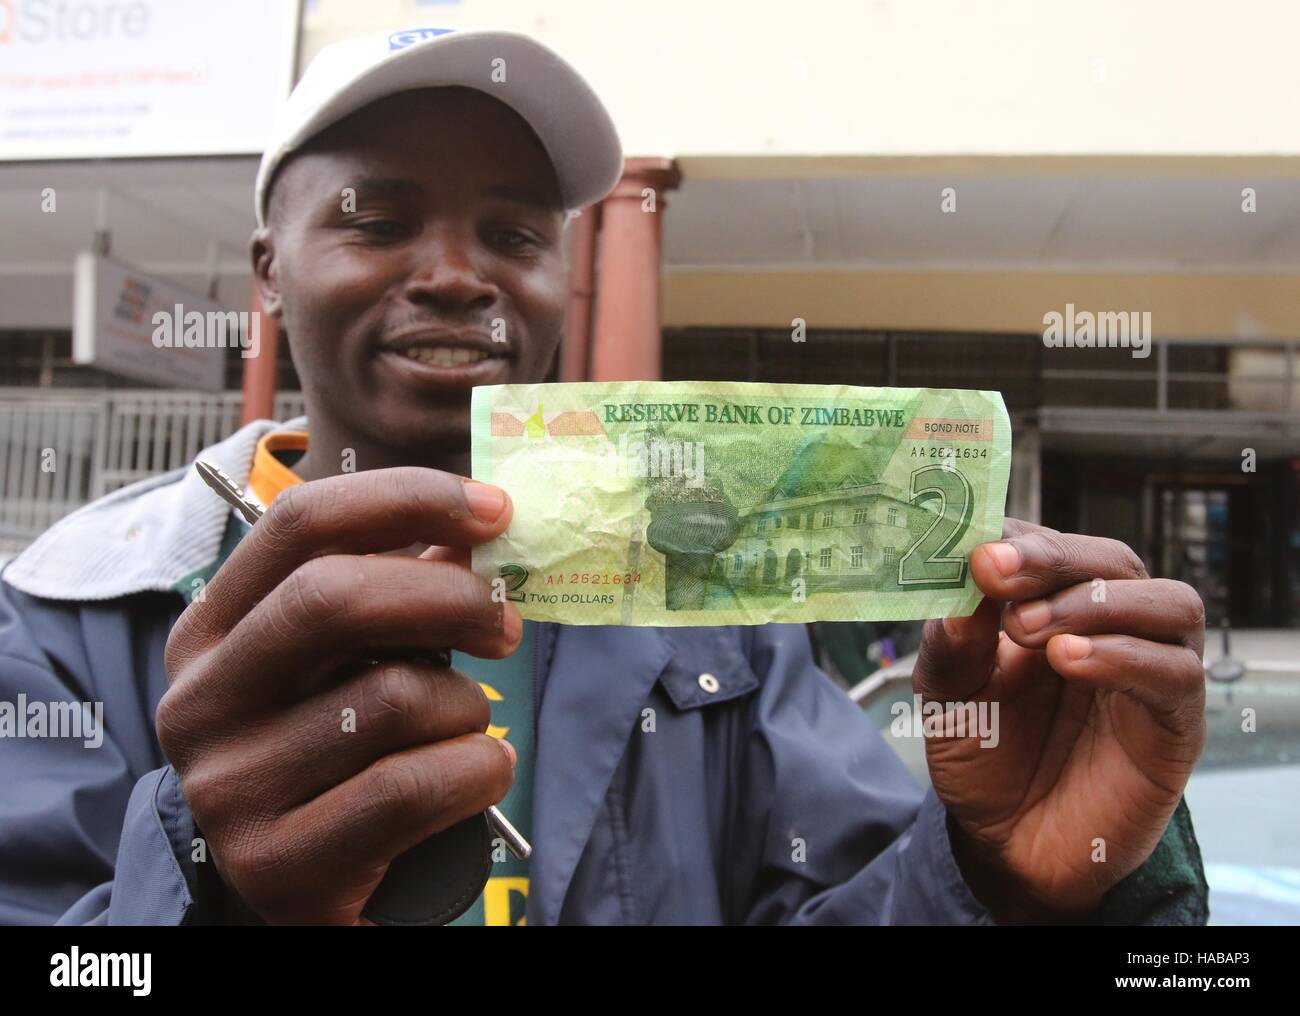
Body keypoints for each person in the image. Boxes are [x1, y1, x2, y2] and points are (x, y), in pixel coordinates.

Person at [0, 27, 1208, 925]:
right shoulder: (63, 619)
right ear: (268, 267)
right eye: (378, 220)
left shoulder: (717, 619)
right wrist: (201, 876)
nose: (461, 273)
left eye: (518, 235)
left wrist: (998, 878)